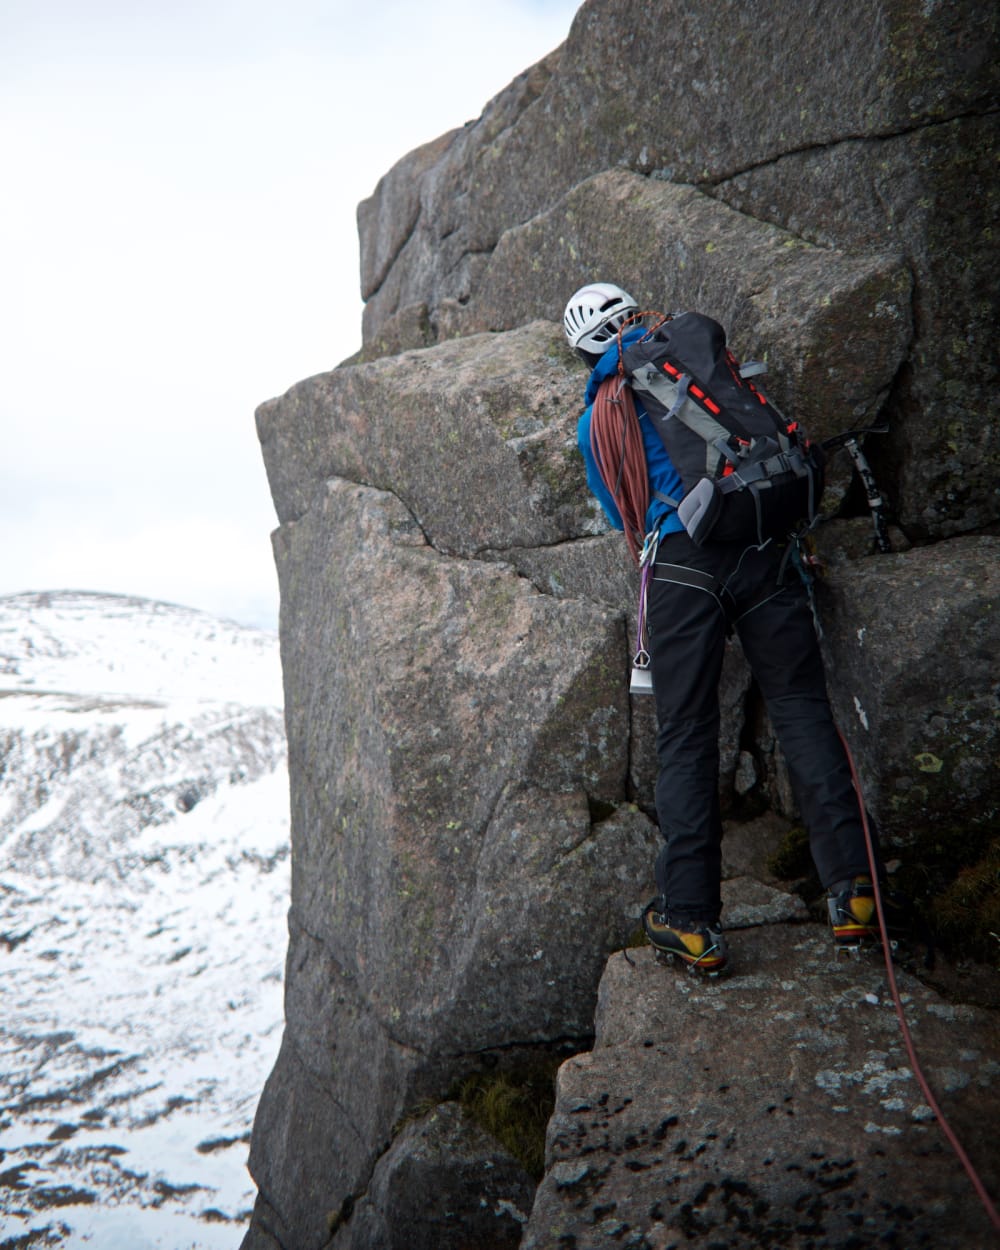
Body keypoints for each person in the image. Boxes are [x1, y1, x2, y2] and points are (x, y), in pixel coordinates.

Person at [564, 281, 882, 976]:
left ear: (581, 349)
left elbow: (623, 508)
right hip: (767, 544)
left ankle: (689, 920)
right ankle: (854, 892)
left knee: (686, 733)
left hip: (684, 564)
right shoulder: (696, 356)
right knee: (802, 708)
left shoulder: (601, 411)